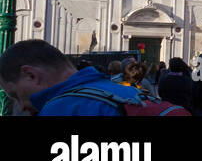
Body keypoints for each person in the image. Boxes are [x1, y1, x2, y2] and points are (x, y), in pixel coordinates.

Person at [0, 40, 157, 116]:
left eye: (15, 95)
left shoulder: (61, 109)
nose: (20, 107)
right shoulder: (130, 93)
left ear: (31, 75)